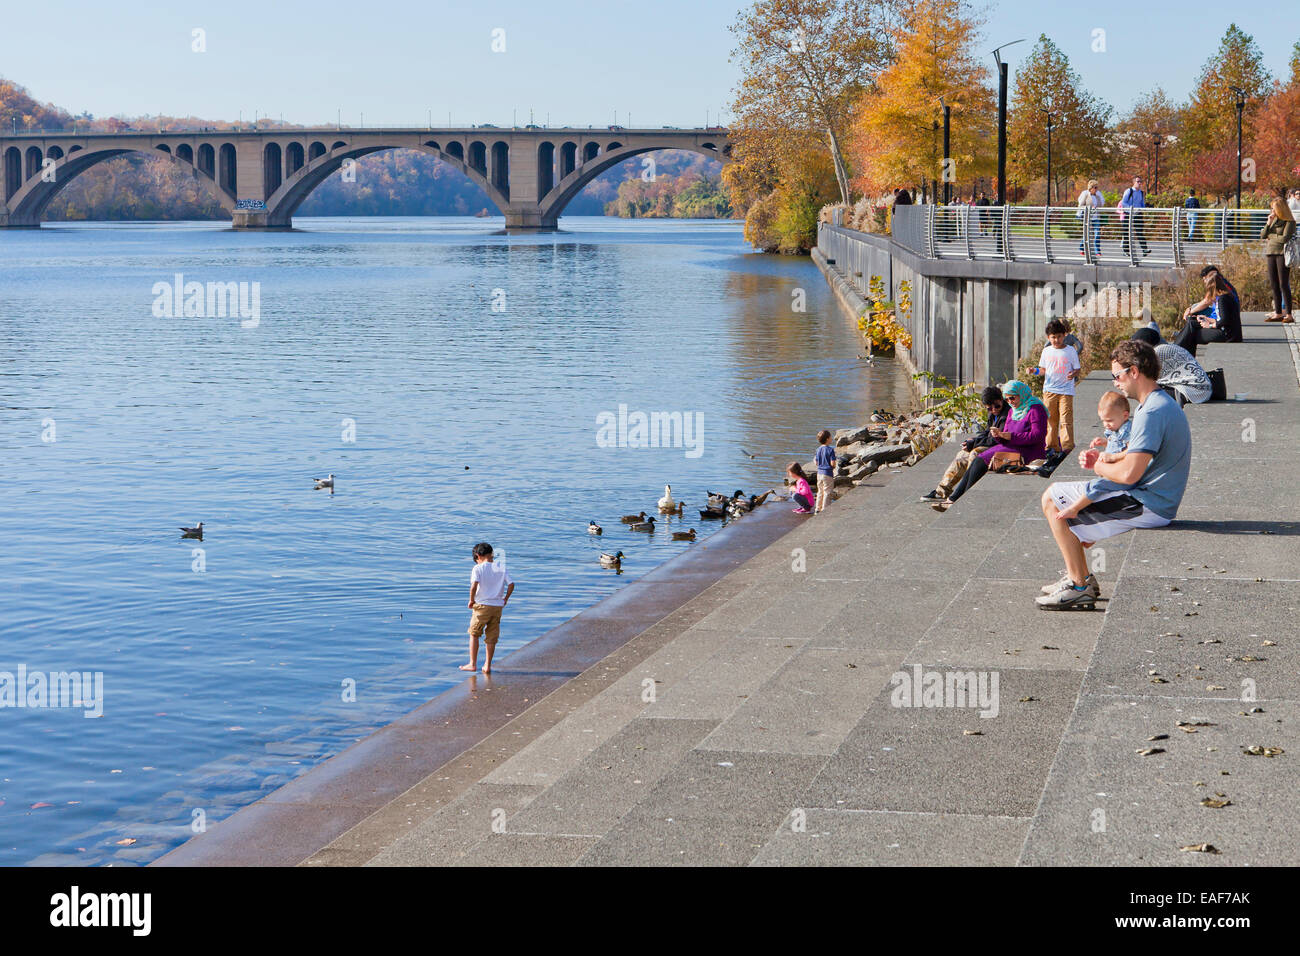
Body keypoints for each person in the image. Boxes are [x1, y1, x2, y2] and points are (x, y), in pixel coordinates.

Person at [1037, 340, 1192, 610]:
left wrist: (1098, 465)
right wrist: (1110, 458)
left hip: (1148, 502)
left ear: (1133, 372)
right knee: (1056, 497)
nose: (1116, 383)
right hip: (1153, 496)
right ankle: (1081, 577)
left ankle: (1080, 586)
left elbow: (1131, 474)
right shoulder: (1158, 403)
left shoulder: (1152, 411)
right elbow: (1133, 457)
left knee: (1054, 501)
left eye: (1117, 375)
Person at [932, 380, 1046, 512]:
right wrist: (999, 435)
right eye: (1007, 399)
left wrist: (1010, 437)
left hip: (1030, 450)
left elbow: (1037, 436)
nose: (1010, 402)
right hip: (1012, 446)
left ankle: (957, 500)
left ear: (1022, 394)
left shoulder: (1035, 409)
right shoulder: (1013, 411)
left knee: (979, 460)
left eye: (1013, 398)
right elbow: (1005, 435)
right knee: (978, 460)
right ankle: (954, 498)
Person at [1052, 391, 1133, 525]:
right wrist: (1105, 442)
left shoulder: (1127, 430)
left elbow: (1132, 450)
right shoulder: (1115, 428)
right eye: (1103, 421)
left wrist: (1113, 457)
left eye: (1109, 420)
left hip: (1122, 474)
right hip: (1112, 471)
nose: (1106, 424)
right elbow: (1117, 444)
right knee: (1096, 488)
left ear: (1125, 415)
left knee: (1097, 485)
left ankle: (1074, 509)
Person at [920, 386, 1008, 502]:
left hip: (1000, 446)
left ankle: (964, 491)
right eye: (989, 408)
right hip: (990, 443)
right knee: (961, 456)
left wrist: (975, 443)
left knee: (974, 454)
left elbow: (997, 439)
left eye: (996, 406)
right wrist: (972, 441)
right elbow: (987, 433)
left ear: (1001, 399)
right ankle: (942, 491)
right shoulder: (993, 413)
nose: (993, 410)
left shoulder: (1007, 414)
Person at [1031, 318, 1082, 458]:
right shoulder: (1046, 351)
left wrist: (1074, 374)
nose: (1056, 340)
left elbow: (1077, 368)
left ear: (1064, 335)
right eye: (1053, 337)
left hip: (1066, 391)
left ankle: (1067, 447)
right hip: (1049, 391)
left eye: (1059, 336)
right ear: (1048, 337)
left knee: (1066, 419)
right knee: (1050, 420)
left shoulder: (1070, 350)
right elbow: (1042, 370)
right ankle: (1051, 446)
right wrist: (1034, 371)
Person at [461, 542, 514, 674]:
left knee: (474, 633)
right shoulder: (500, 567)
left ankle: (472, 664)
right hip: (497, 607)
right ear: (491, 554)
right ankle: (487, 665)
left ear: (478, 556)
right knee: (492, 636)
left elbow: (474, 586)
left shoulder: (477, 569)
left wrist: (471, 600)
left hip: (482, 606)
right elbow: (511, 584)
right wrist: (505, 599)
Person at [1131, 327, 1212, 406]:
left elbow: (1147, 377)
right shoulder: (1168, 347)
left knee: (1149, 392)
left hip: (1194, 392)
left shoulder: (1158, 352)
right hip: (1202, 388)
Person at [1172, 269, 1242, 356]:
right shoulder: (1224, 296)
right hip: (1226, 332)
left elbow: (1224, 321)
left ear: (1212, 288)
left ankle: (1176, 351)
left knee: (1192, 335)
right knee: (1192, 322)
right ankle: (1180, 349)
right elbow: (1224, 319)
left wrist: (1209, 325)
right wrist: (1207, 319)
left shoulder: (1222, 299)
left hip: (1227, 336)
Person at [1260, 196, 1296, 323]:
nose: (1272, 212)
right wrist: (1268, 223)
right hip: (1271, 253)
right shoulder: (1273, 220)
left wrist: (1272, 235)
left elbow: (1284, 238)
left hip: (1282, 254)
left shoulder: (1290, 222)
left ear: (1280, 209)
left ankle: (1289, 314)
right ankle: (1278, 313)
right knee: (1274, 283)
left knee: (1283, 284)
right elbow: (1263, 235)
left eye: (1274, 209)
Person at [1119, 176, 1150, 258]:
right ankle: (1126, 251)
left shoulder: (1141, 193)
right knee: (1126, 233)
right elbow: (1123, 202)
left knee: (1139, 232)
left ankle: (1144, 249)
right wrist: (1130, 210)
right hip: (1128, 214)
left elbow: (1142, 204)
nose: (1140, 183)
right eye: (1138, 181)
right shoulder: (1129, 191)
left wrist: (1143, 209)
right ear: (1134, 182)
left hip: (1137, 214)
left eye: (1140, 181)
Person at [1076, 179, 1103, 256]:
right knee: (1086, 234)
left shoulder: (1098, 194)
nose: (1097, 189)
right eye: (1095, 187)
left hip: (1096, 217)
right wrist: (1089, 207)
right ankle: (1082, 248)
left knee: (1097, 233)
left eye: (1097, 187)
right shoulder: (1085, 193)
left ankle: (1097, 251)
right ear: (1090, 188)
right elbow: (1080, 204)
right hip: (1087, 216)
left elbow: (1102, 203)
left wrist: (1097, 203)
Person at [814, 429, 836, 514]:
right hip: (828, 473)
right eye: (830, 437)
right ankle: (825, 509)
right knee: (827, 492)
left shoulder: (818, 449)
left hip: (819, 473)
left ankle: (817, 509)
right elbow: (833, 463)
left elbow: (816, 462)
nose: (832, 438)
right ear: (827, 439)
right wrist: (833, 466)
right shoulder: (830, 450)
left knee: (820, 491)